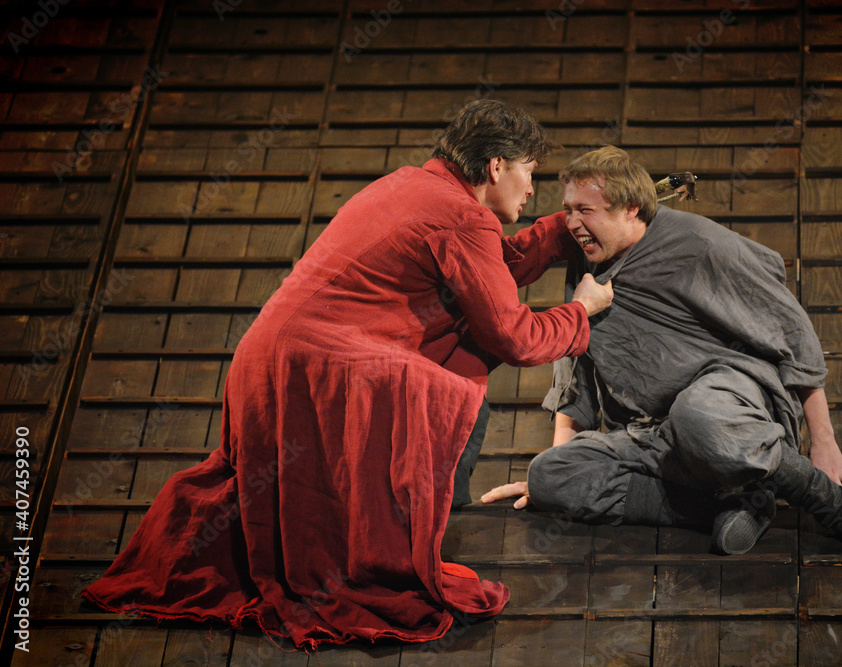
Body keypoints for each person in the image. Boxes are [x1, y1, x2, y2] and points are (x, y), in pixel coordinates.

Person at [82, 100, 614, 648]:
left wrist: (558, 232)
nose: (531, 190)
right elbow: (514, 335)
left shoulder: (411, 185)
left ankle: (390, 548)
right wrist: (581, 312)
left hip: (268, 361)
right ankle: (388, 560)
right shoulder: (461, 214)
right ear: (497, 166)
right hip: (319, 368)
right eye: (530, 171)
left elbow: (487, 271)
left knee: (283, 496)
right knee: (450, 391)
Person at [482, 146, 842, 557]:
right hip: (654, 435)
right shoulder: (587, 259)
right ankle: (732, 503)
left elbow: (793, 333)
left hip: (730, 416)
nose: (571, 223)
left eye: (585, 210)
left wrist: (823, 442)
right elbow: (577, 373)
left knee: (697, 415)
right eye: (568, 209)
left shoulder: (701, 245)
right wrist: (558, 474)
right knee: (550, 475)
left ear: (630, 209)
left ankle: (829, 501)